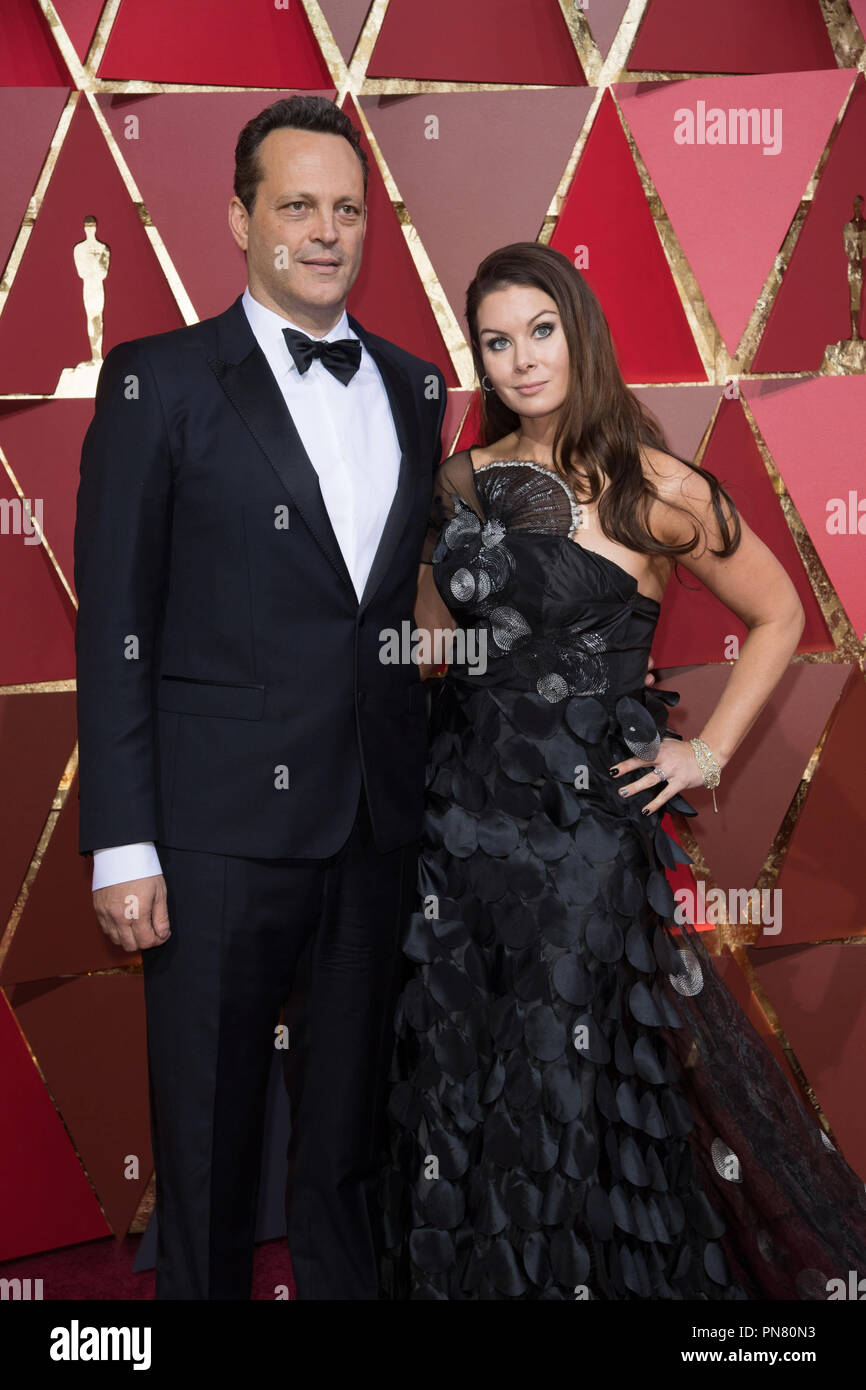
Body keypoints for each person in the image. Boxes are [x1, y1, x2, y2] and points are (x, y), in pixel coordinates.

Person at [378, 241, 866, 1300]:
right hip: (457, 828)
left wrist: (702, 752)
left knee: (560, 1074)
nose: (520, 360)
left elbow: (780, 612)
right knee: (459, 1070)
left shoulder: (657, 483)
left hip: (582, 839)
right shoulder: (462, 478)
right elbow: (428, 645)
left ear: (579, 330)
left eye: (539, 331)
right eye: (496, 341)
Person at [73, 95, 448, 1300]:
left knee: (346, 1154)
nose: (326, 231)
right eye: (297, 205)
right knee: (209, 1153)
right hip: (214, 838)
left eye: (347, 208)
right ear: (239, 217)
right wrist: (121, 843)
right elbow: (116, 627)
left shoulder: (416, 388)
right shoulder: (156, 384)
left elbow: (393, 614)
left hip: (374, 833)